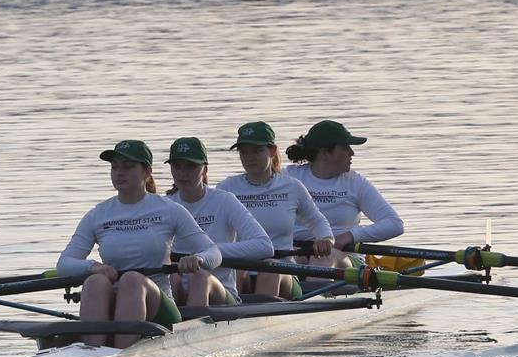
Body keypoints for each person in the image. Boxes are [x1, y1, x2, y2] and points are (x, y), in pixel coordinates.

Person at [56, 139, 220, 347]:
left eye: (127, 166)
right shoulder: (97, 215)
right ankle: (92, 352)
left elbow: (213, 252)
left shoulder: (169, 210)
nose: (119, 173)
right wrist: (94, 267)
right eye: (115, 167)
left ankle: (121, 353)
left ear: (146, 171)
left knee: (132, 280)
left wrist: (198, 259)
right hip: (112, 300)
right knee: (94, 281)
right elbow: (64, 264)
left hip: (160, 309)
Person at [214, 120, 335, 300]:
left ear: (271, 151)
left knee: (270, 267)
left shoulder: (292, 187)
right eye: (244, 152)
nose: (249, 157)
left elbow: (317, 221)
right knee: (237, 269)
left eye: (256, 151)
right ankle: (232, 320)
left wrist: (325, 238)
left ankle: (259, 320)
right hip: (241, 270)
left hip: (282, 271)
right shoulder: (226, 188)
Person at [162, 136, 275, 308]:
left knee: (199, 276)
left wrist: (210, 253)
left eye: (191, 166)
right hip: (177, 291)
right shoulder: (163, 206)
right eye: (177, 166)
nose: (182, 173)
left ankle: (193, 330)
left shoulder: (224, 201)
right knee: (170, 278)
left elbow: (264, 245)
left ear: (205, 170)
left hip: (221, 294)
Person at [285, 119, 404, 258]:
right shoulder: (288, 177)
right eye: (345, 147)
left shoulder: (355, 182)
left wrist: (350, 236)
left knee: (324, 260)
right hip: (296, 254)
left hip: (344, 257)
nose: (352, 153)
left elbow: (394, 224)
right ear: (324, 153)